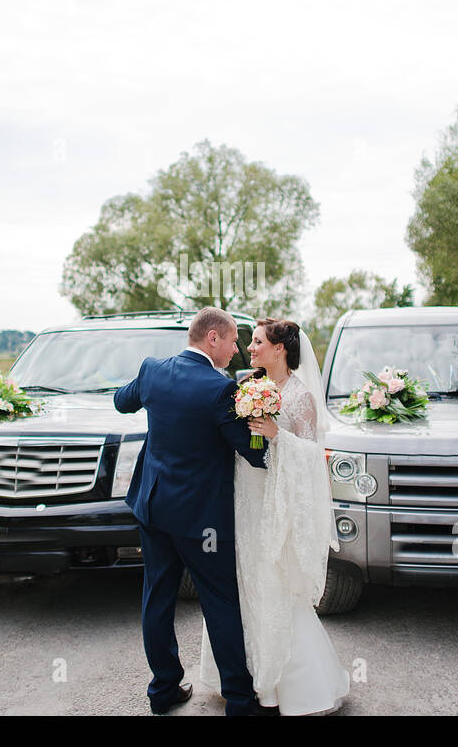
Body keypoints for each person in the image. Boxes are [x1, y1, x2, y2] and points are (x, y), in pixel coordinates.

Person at [113, 306, 275, 716]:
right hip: (200, 520)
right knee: (219, 602)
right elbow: (252, 452)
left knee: (157, 599)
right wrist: (263, 426)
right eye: (234, 339)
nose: (238, 348)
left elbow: (121, 402)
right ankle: (240, 701)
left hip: (153, 509)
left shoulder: (152, 370)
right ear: (213, 338)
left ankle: (163, 690)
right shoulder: (219, 390)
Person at [198, 317, 351, 715]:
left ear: (279, 348)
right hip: (242, 496)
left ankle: (285, 683)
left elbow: (312, 459)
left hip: (277, 503)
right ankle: (242, 676)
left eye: (258, 342)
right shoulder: (247, 386)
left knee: (273, 581)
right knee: (243, 581)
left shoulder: (300, 397)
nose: (249, 348)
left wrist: (276, 436)